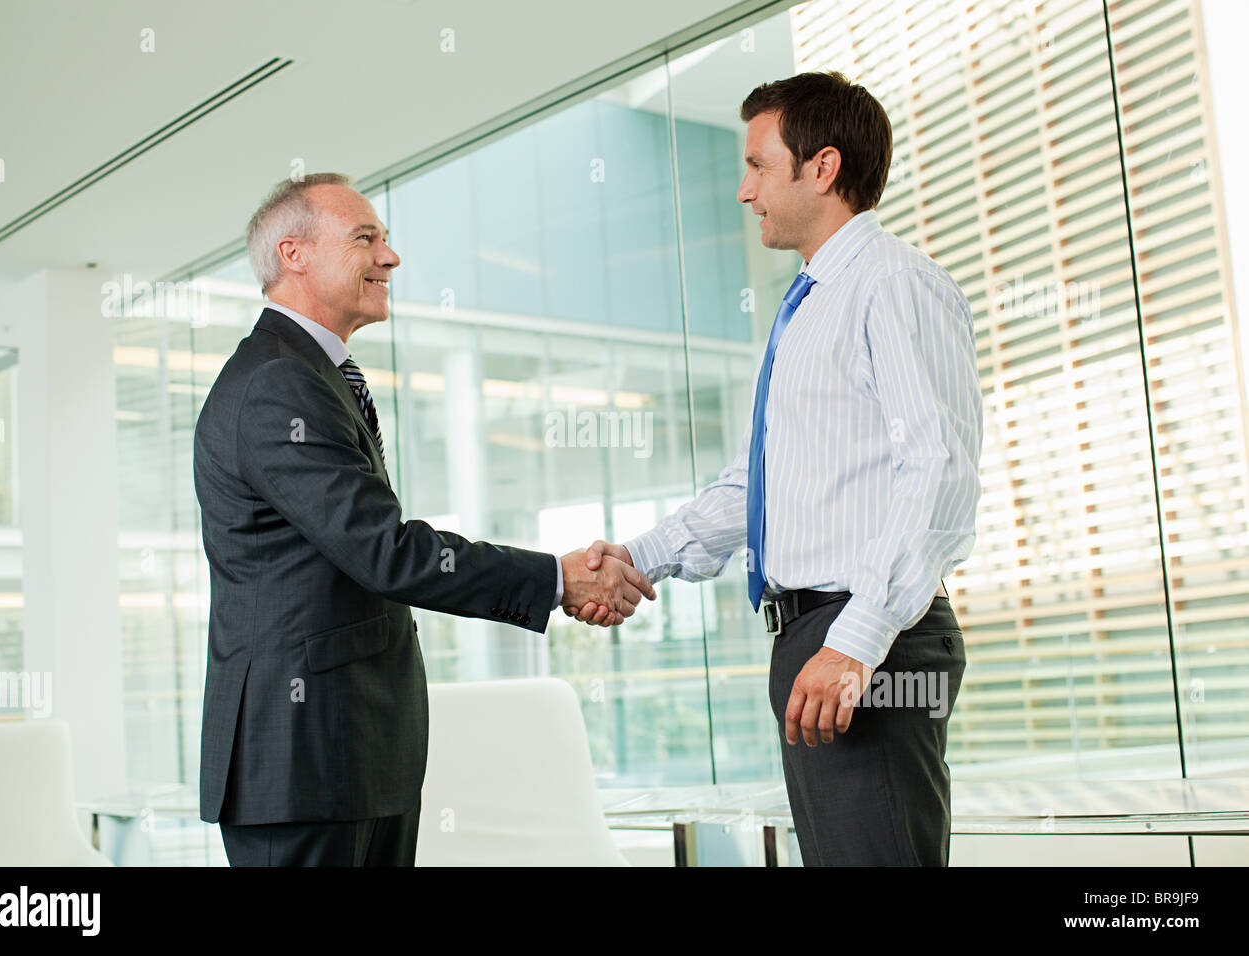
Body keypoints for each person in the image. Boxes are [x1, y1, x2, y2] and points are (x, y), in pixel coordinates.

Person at [567, 72, 983, 866]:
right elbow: (763, 481)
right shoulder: (814, 300)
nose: (743, 190)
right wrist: (641, 556)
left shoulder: (892, 284)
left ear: (821, 168)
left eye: (759, 166)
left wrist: (856, 643)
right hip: (815, 636)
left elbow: (938, 472)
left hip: (866, 638)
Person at [193, 173, 655, 867]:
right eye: (366, 238)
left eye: (387, 239)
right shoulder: (276, 384)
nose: (391, 257)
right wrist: (556, 579)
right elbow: (384, 550)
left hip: (351, 756)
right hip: (301, 763)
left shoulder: (310, 375)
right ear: (294, 253)